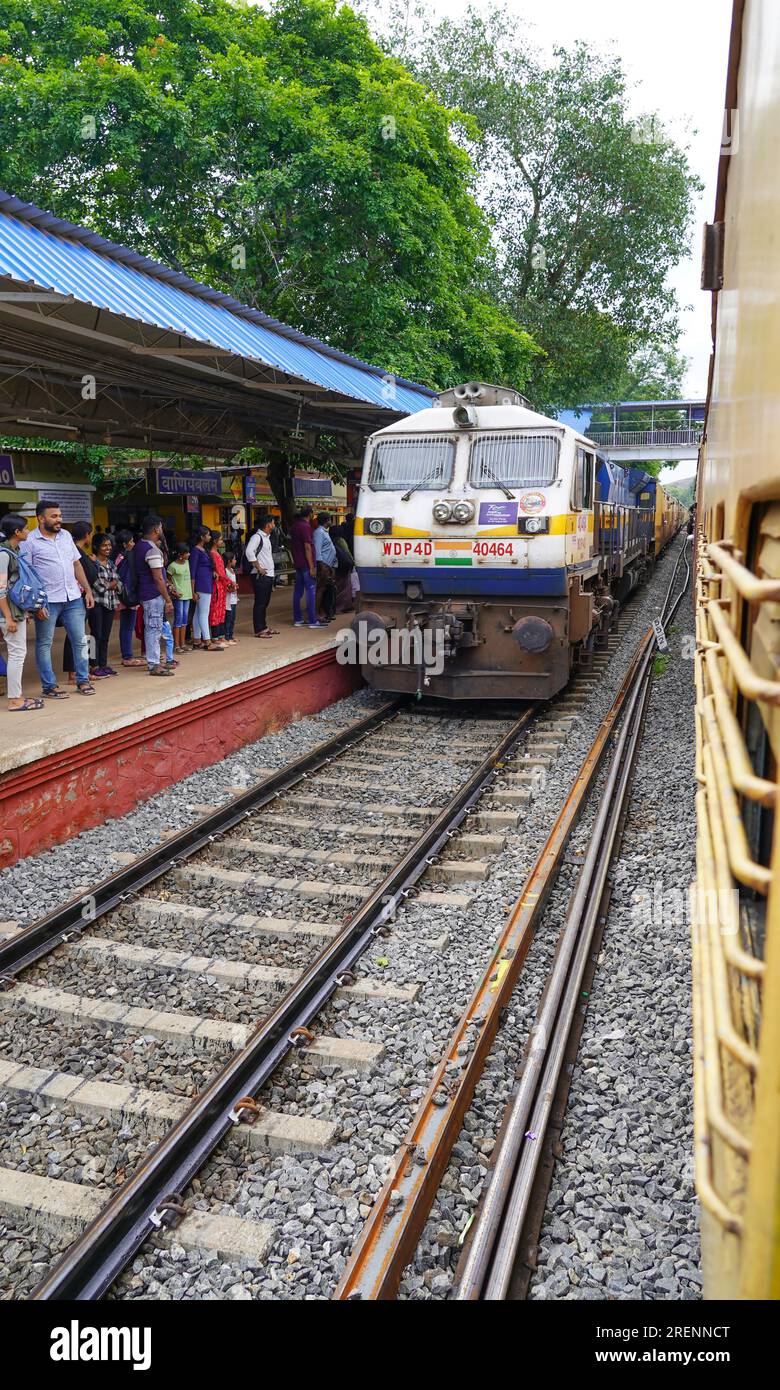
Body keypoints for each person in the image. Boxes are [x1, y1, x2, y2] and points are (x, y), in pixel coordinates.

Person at [21, 499, 95, 697]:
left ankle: (83, 680)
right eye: (54, 516)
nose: (59, 519)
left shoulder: (66, 536)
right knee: (45, 643)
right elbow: (26, 574)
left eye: (60, 516)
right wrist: (35, 605)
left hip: (73, 597)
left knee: (80, 640)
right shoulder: (29, 542)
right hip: (47, 601)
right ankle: (49, 686)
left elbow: (76, 565)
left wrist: (87, 590)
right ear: (40, 518)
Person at [0, 512, 43, 712]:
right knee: (17, 654)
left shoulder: (14, 552)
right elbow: (0, 590)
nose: (28, 531)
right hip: (7, 614)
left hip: (15, 613)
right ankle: (15, 699)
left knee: (18, 653)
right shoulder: (4, 555)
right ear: (17, 532)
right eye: (25, 529)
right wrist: (9, 617)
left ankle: (17, 696)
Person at [134, 515, 175, 676]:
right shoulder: (152, 550)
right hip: (153, 595)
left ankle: (154, 661)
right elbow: (158, 578)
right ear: (156, 529)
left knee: (152, 627)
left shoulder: (140, 546)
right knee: (154, 628)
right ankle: (154, 664)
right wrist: (168, 599)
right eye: (160, 527)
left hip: (146, 593)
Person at [89, 533, 120, 676]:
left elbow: (119, 583)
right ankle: (93, 666)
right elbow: (98, 585)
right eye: (104, 545)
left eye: (109, 545)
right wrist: (112, 584)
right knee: (95, 635)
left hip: (110, 602)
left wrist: (113, 584)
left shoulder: (111, 563)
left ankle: (103, 664)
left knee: (105, 635)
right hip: (97, 603)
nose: (108, 548)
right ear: (96, 546)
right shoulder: (92, 563)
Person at [112, 530, 144, 668]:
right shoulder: (127, 557)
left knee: (125, 626)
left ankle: (127, 654)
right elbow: (128, 578)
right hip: (128, 595)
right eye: (131, 541)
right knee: (127, 626)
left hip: (120, 594)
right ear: (125, 544)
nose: (133, 544)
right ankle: (127, 656)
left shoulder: (116, 557)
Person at [244, 515, 279, 638]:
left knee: (264, 602)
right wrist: (258, 567)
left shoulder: (266, 538)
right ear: (268, 524)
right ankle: (259, 629)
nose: (274, 525)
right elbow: (249, 551)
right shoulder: (257, 537)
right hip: (260, 575)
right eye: (273, 523)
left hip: (267, 574)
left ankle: (263, 626)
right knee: (260, 602)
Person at [188, 526, 220, 651]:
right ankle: (207, 641)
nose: (210, 537)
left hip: (205, 583)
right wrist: (193, 590)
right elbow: (193, 572)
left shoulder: (202, 550)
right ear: (202, 537)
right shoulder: (196, 551)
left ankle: (197, 639)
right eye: (208, 535)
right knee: (203, 613)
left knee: (198, 613)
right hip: (202, 585)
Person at [290, 506, 319, 628]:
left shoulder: (294, 526)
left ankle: (298, 619)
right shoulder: (306, 527)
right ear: (310, 514)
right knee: (311, 591)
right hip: (306, 563)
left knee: (298, 592)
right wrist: (312, 566)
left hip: (298, 562)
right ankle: (312, 620)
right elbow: (307, 547)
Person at [313, 513, 338, 622]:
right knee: (321, 589)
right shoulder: (319, 533)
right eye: (330, 520)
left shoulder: (324, 532)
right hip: (324, 564)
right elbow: (317, 550)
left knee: (327, 589)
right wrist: (321, 565)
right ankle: (317, 613)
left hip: (329, 564)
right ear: (327, 520)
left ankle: (324, 612)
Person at [168, 542, 192, 653]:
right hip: (178, 596)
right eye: (186, 553)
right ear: (180, 554)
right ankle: (176, 645)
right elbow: (168, 580)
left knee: (184, 620)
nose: (189, 554)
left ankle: (182, 643)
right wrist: (173, 590)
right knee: (178, 619)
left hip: (187, 595)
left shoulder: (187, 562)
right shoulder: (172, 566)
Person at [208, 532, 228, 648]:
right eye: (220, 540)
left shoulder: (217, 553)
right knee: (215, 611)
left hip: (222, 585)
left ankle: (221, 636)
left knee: (221, 610)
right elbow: (220, 573)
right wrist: (229, 582)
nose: (222, 542)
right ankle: (215, 637)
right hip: (217, 585)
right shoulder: (212, 554)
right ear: (215, 541)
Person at [330, 522, 355, 614]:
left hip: (335, 566)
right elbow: (347, 553)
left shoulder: (330, 540)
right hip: (344, 566)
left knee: (338, 586)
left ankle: (336, 606)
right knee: (344, 587)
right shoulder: (341, 540)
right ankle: (342, 606)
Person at [224, 550, 239, 644]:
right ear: (229, 561)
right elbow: (226, 585)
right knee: (228, 619)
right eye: (234, 559)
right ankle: (227, 636)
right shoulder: (225, 571)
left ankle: (230, 635)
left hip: (233, 598)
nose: (235, 561)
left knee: (233, 618)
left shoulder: (232, 570)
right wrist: (232, 587)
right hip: (228, 599)